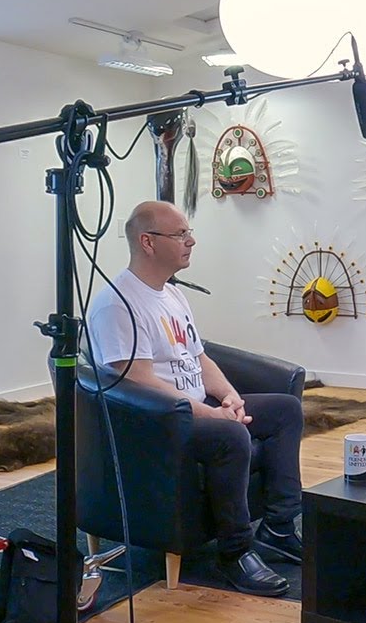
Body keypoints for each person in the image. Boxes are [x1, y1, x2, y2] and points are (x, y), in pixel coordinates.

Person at [86, 200, 303, 597]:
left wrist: (230, 398)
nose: (192, 241)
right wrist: (209, 414)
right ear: (148, 242)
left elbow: (198, 356)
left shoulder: (171, 294)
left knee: (285, 411)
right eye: (181, 234)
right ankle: (235, 552)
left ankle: (278, 526)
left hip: (192, 410)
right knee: (232, 437)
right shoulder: (117, 304)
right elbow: (136, 382)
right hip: (156, 425)